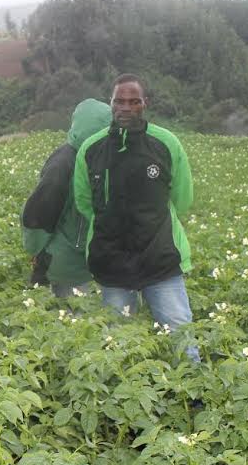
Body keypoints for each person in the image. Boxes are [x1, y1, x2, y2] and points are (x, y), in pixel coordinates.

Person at [74, 74, 200, 362]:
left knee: (180, 335)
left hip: (161, 260)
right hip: (112, 262)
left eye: (134, 101)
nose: (126, 108)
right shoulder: (91, 149)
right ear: (111, 104)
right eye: (119, 101)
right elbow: (85, 202)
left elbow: (182, 199)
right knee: (118, 341)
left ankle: (193, 398)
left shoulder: (166, 143)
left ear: (145, 104)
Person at [21, 99, 112, 297]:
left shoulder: (103, 157)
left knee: (79, 320)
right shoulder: (63, 163)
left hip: (88, 259)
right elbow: (39, 212)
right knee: (70, 318)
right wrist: (37, 250)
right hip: (65, 261)